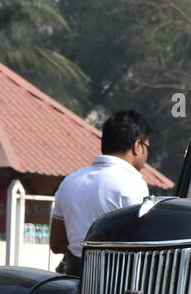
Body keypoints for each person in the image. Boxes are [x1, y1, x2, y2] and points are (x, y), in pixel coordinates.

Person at [50, 110, 152, 277]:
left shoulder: (69, 181)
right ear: (137, 146)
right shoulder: (132, 183)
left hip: (74, 280)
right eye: (148, 148)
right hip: (115, 284)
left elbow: (56, 243)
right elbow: (140, 243)